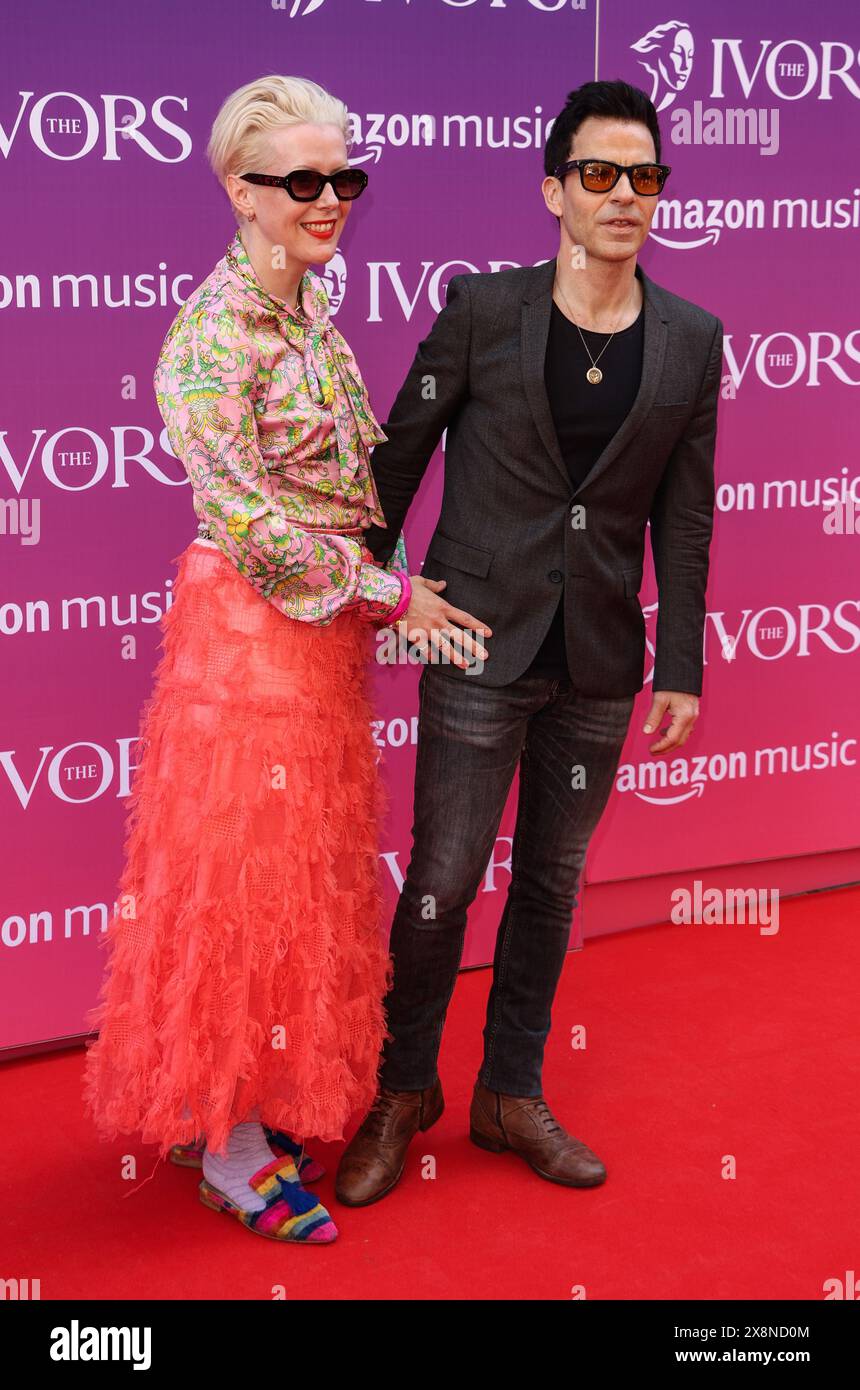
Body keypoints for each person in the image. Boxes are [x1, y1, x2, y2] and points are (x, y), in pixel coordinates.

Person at [81, 74, 490, 1244]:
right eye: (299, 182)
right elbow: (252, 519)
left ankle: (238, 1103)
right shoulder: (210, 334)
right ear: (239, 190)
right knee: (235, 895)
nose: (328, 200)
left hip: (313, 654)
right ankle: (226, 1145)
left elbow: (340, 481)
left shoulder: (310, 308)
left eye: (342, 178)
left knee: (294, 890)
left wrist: (385, 583)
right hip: (248, 649)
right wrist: (390, 591)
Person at [336, 80, 724, 1205]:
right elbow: (393, 463)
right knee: (442, 880)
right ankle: (402, 1089)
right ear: (553, 189)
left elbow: (683, 515)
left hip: (598, 661)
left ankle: (510, 1092)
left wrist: (681, 662)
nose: (621, 196)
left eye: (642, 177)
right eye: (596, 174)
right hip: (472, 647)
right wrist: (383, 591)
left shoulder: (690, 340)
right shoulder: (479, 312)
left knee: (550, 885)